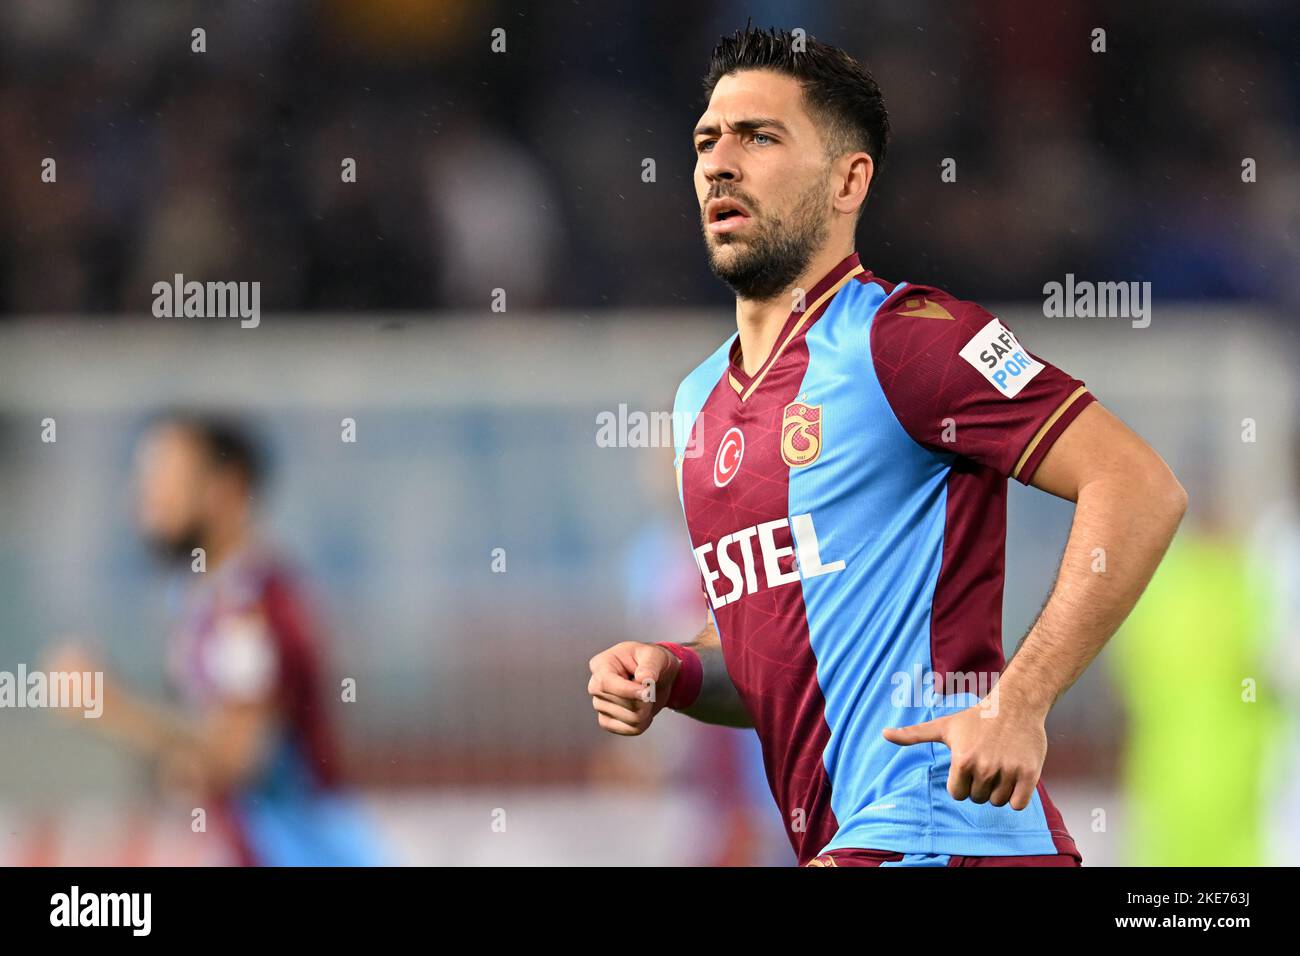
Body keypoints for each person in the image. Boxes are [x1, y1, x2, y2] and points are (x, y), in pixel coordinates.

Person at [586, 26, 1186, 867]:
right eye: (706, 140)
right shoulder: (697, 407)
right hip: (850, 842)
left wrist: (1021, 699)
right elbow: (787, 659)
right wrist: (675, 670)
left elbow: (1138, 485)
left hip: (941, 831)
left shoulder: (907, 341)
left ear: (848, 179)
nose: (720, 161)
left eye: (760, 137)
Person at [49, 412, 386, 865]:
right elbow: (203, 761)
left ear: (223, 490)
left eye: (163, 478)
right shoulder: (203, 604)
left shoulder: (251, 605)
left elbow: (237, 754)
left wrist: (111, 708)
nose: (143, 498)